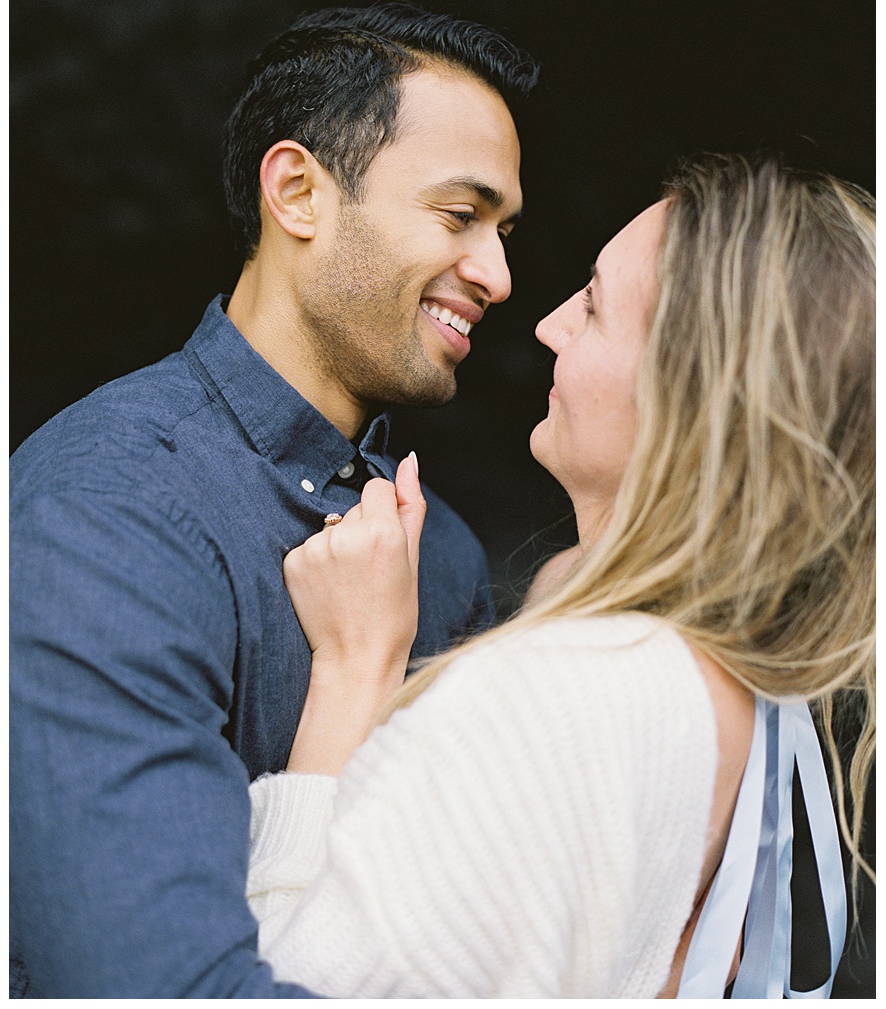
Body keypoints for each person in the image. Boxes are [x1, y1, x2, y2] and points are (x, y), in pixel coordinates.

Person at [243, 153, 875, 998]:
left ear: (690, 397)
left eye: (594, 307)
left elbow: (275, 989)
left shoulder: (554, 700)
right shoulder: (733, 690)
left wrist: (354, 668)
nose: (546, 324)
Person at [9, 3, 538, 997]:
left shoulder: (446, 557)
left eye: (503, 231)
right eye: (459, 216)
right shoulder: (105, 513)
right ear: (297, 192)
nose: (498, 275)